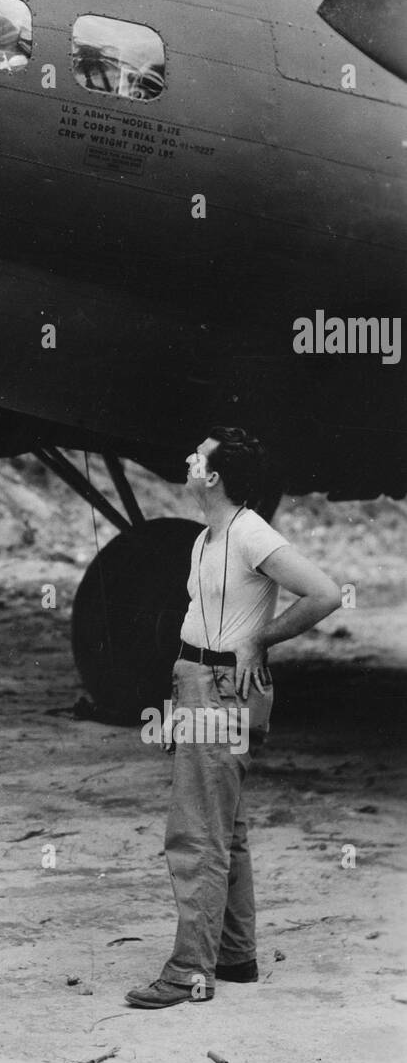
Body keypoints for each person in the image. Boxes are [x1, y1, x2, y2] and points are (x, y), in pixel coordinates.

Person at [126, 427, 342, 1009]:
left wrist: (259, 641)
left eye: (198, 456)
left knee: (196, 834)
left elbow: (324, 593)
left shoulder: (250, 532)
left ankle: (188, 973)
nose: (189, 459)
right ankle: (236, 956)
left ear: (214, 477)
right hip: (199, 681)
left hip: (222, 687)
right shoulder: (208, 538)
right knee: (229, 829)